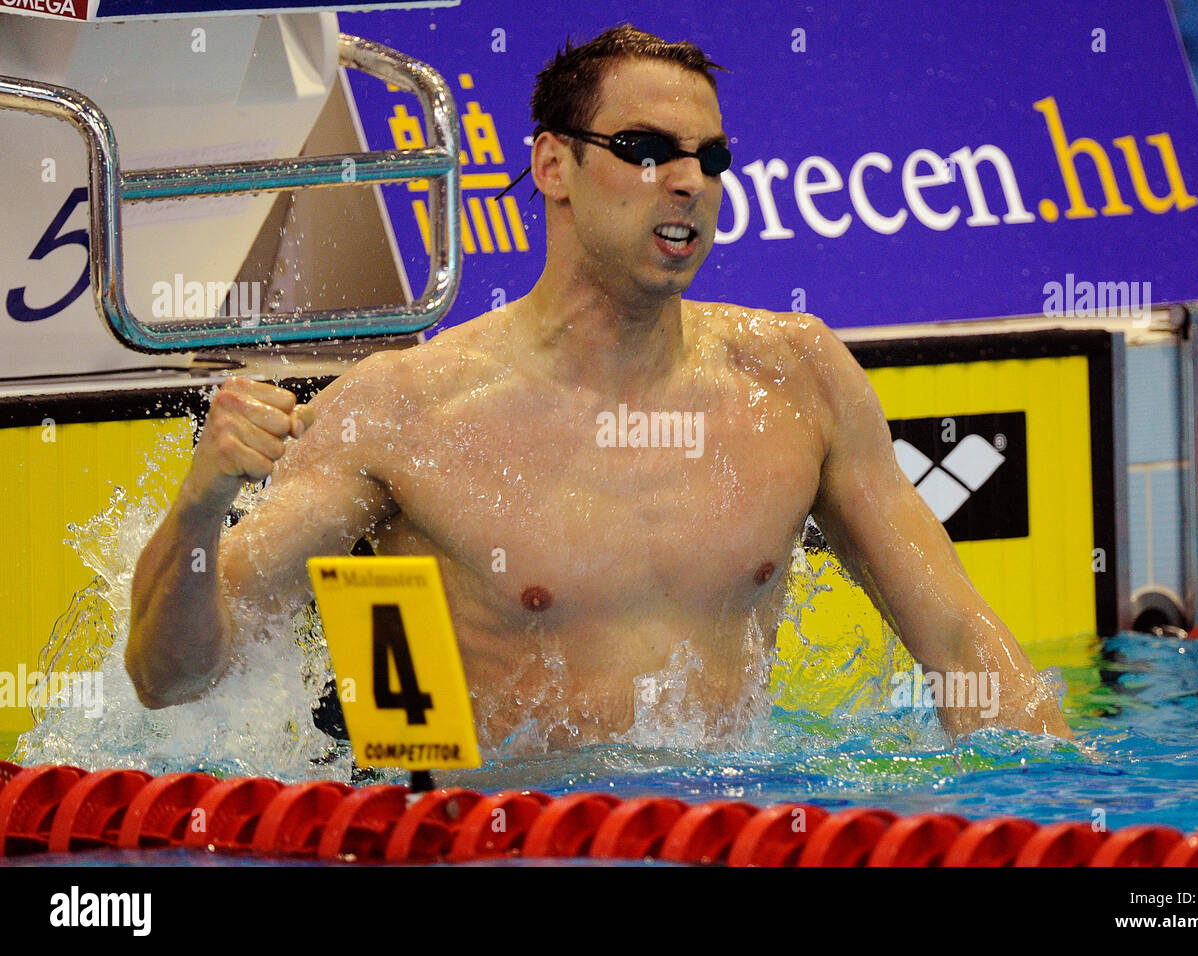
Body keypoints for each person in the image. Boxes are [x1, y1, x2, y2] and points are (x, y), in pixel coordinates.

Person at [126, 25, 1072, 748]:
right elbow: (171, 682)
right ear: (554, 166)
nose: (689, 182)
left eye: (711, 158)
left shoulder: (795, 378)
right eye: (646, 148)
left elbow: (958, 642)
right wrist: (203, 510)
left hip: (733, 831)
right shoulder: (405, 409)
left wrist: (1070, 825)